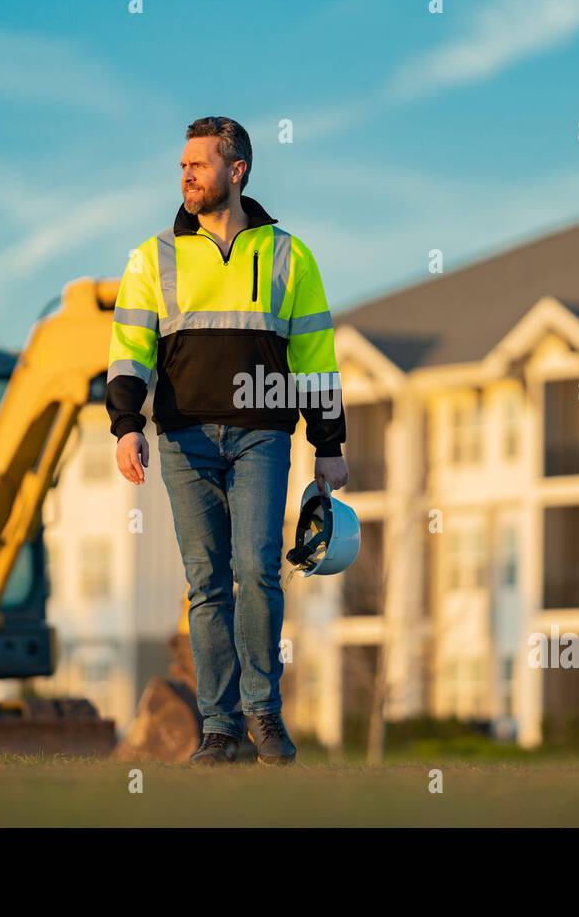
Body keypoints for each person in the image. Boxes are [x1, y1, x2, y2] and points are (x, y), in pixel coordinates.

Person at [107, 116, 348, 765]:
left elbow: (316, 356)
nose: (186, 173)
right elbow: (129, 349)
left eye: (200, 163)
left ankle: (263, 715)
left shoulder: (288, 256)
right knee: (207, 582)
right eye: (181, 164)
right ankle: (218, 729)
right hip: (184, 441)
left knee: (256, 570)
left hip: (261, 437)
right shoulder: (151, 257)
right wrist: (127, 424)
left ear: (236, 171)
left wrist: (329, 443)